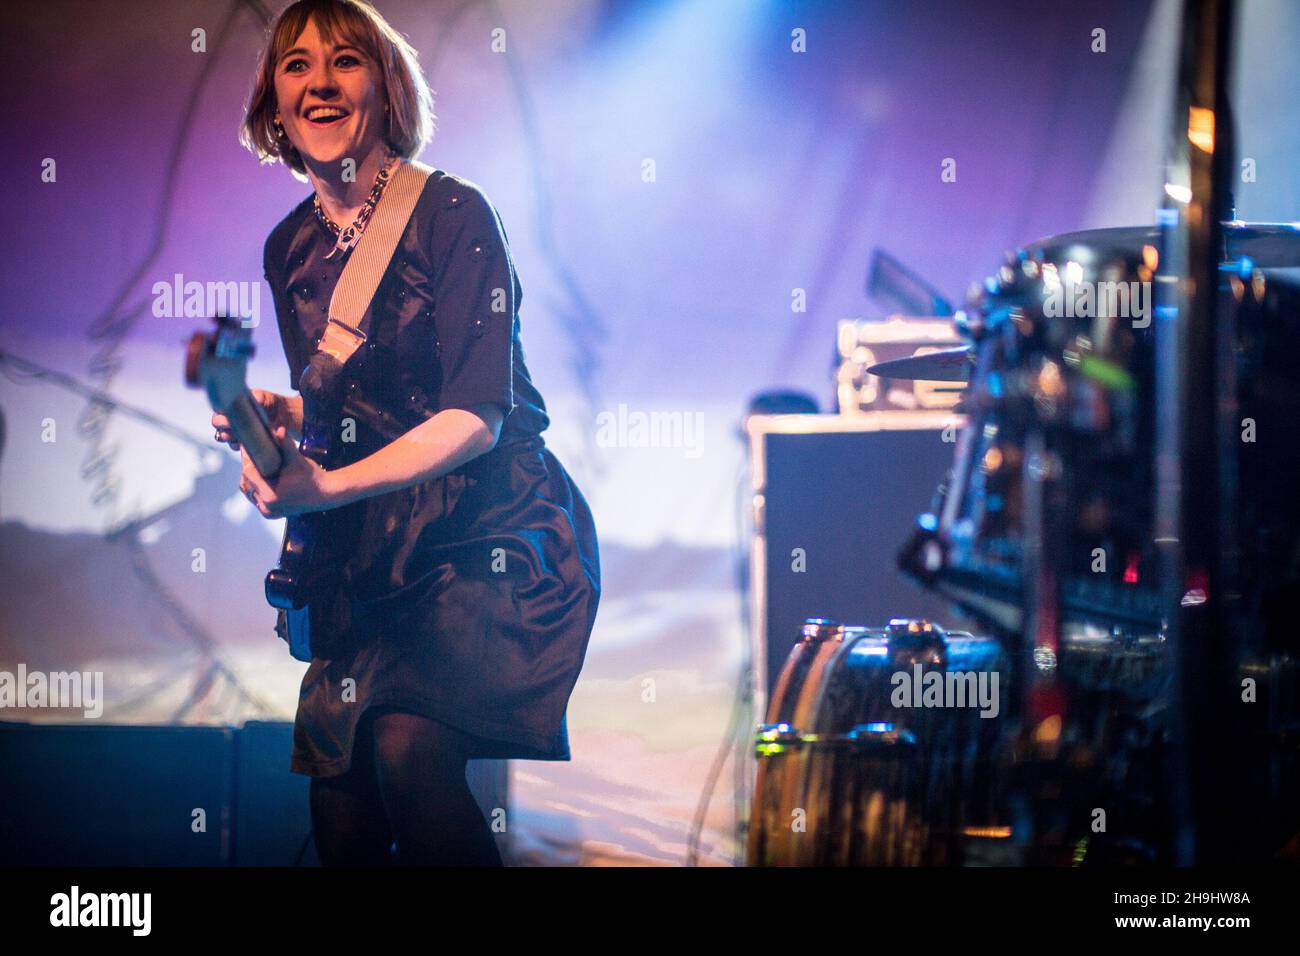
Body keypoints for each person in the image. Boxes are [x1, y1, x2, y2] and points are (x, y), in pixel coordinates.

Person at [212, 0, 600, 866]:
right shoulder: (289, 250)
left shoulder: (453, 214)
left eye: (344, 61)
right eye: (295, 65)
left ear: (386, 88)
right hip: (375, 547)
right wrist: (292, 422)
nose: (319, 83)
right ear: (274, 104)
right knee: (341, 805)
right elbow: (366, 407)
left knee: (408, 750)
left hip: (487, 532)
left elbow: (474, 412)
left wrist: (327, 485)